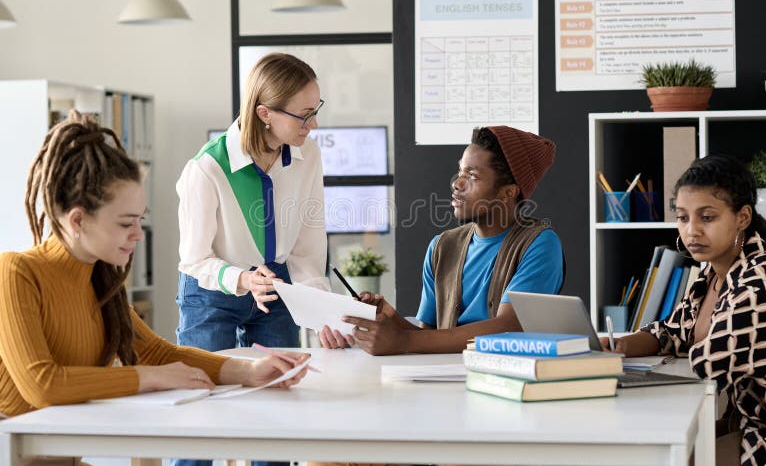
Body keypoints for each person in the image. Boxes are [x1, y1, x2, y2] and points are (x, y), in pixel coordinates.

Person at [0, 111, 310, 466]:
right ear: (77, 220)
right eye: (125, 223)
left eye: (140, 219)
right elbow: (42, 385)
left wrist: (249, 372)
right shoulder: (16, 272)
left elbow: (157, 354)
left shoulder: (101, 280)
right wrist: (148, 378)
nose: (138, 234)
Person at [602, 154, 766, 465]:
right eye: (682, 217)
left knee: (659, 457)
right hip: (746, 422)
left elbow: (712, 359)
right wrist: (618, 346)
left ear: (743, 217)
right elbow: (671, 331)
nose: (691, 230)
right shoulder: (710, 276)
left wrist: (626, 377)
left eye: (707, 217)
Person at [320, 125, 565, 355]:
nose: (457, 183)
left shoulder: (539, 244)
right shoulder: (443, 246)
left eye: (472, 175)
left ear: (508, 192)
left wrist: (401, 340)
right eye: (460, 171)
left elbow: (508, 327)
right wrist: (389, 317)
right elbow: (429, 338)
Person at [176, 52, 329, 354]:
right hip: (213, 290)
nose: (313, 124)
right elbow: (195, 260)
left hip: (276, 285)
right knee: (207, 387)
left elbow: (306, 249)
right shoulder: (208, 168)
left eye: (316, 110)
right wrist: (244, 279)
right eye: (304, 114)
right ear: (264, 114)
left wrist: (322, 314)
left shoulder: (308, 155)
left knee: (279, 385)